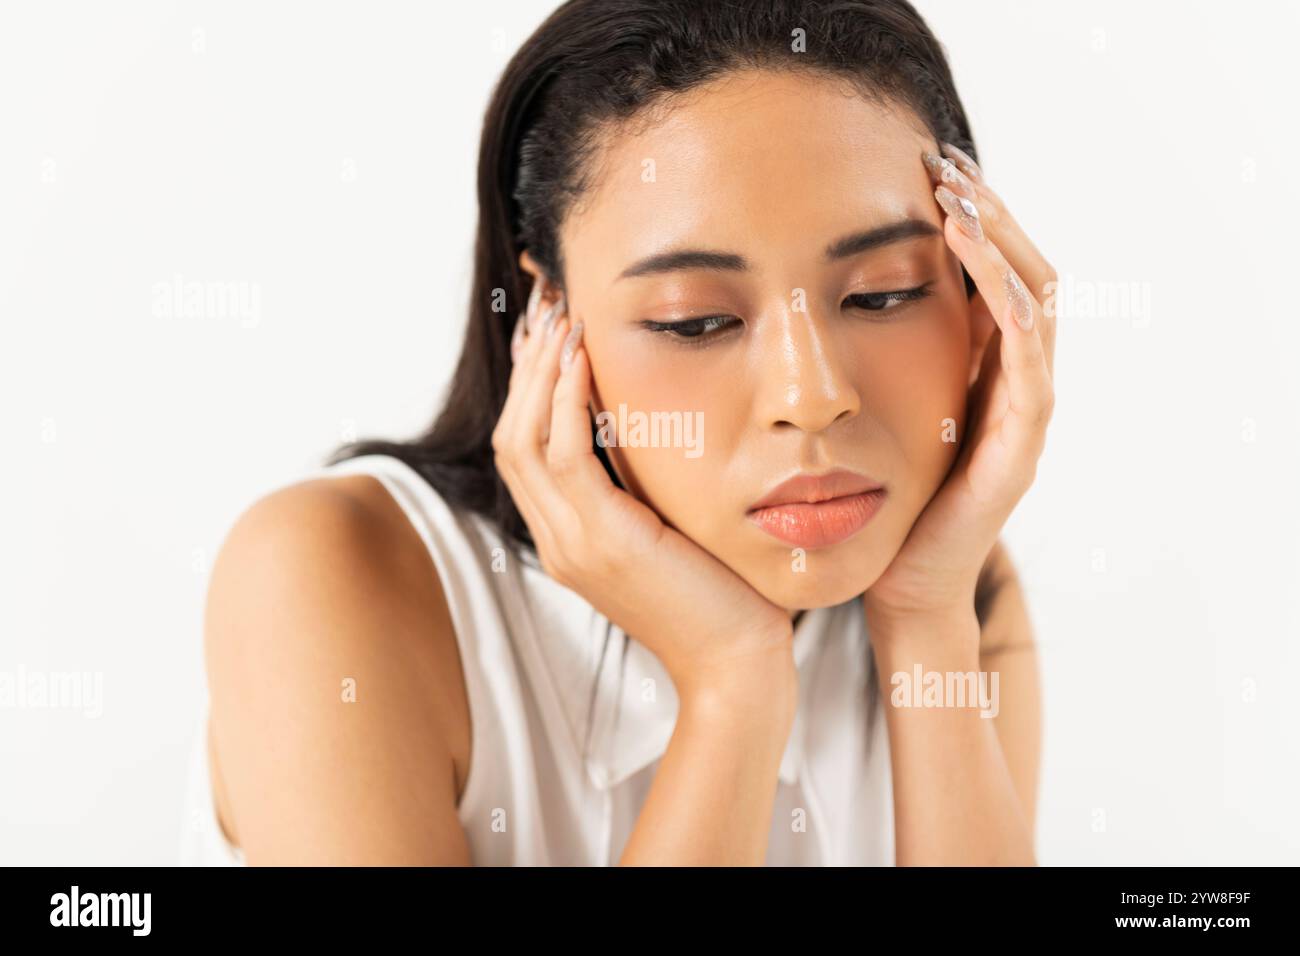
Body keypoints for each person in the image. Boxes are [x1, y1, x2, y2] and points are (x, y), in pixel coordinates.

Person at [186, 0, 1054, 866]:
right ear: (550, 320)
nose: (813, 396)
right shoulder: (324, 574)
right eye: (696, 321)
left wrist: (928, 618)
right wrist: (731, 689)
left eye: (884, 293)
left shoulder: (947, 584)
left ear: (980, 302)